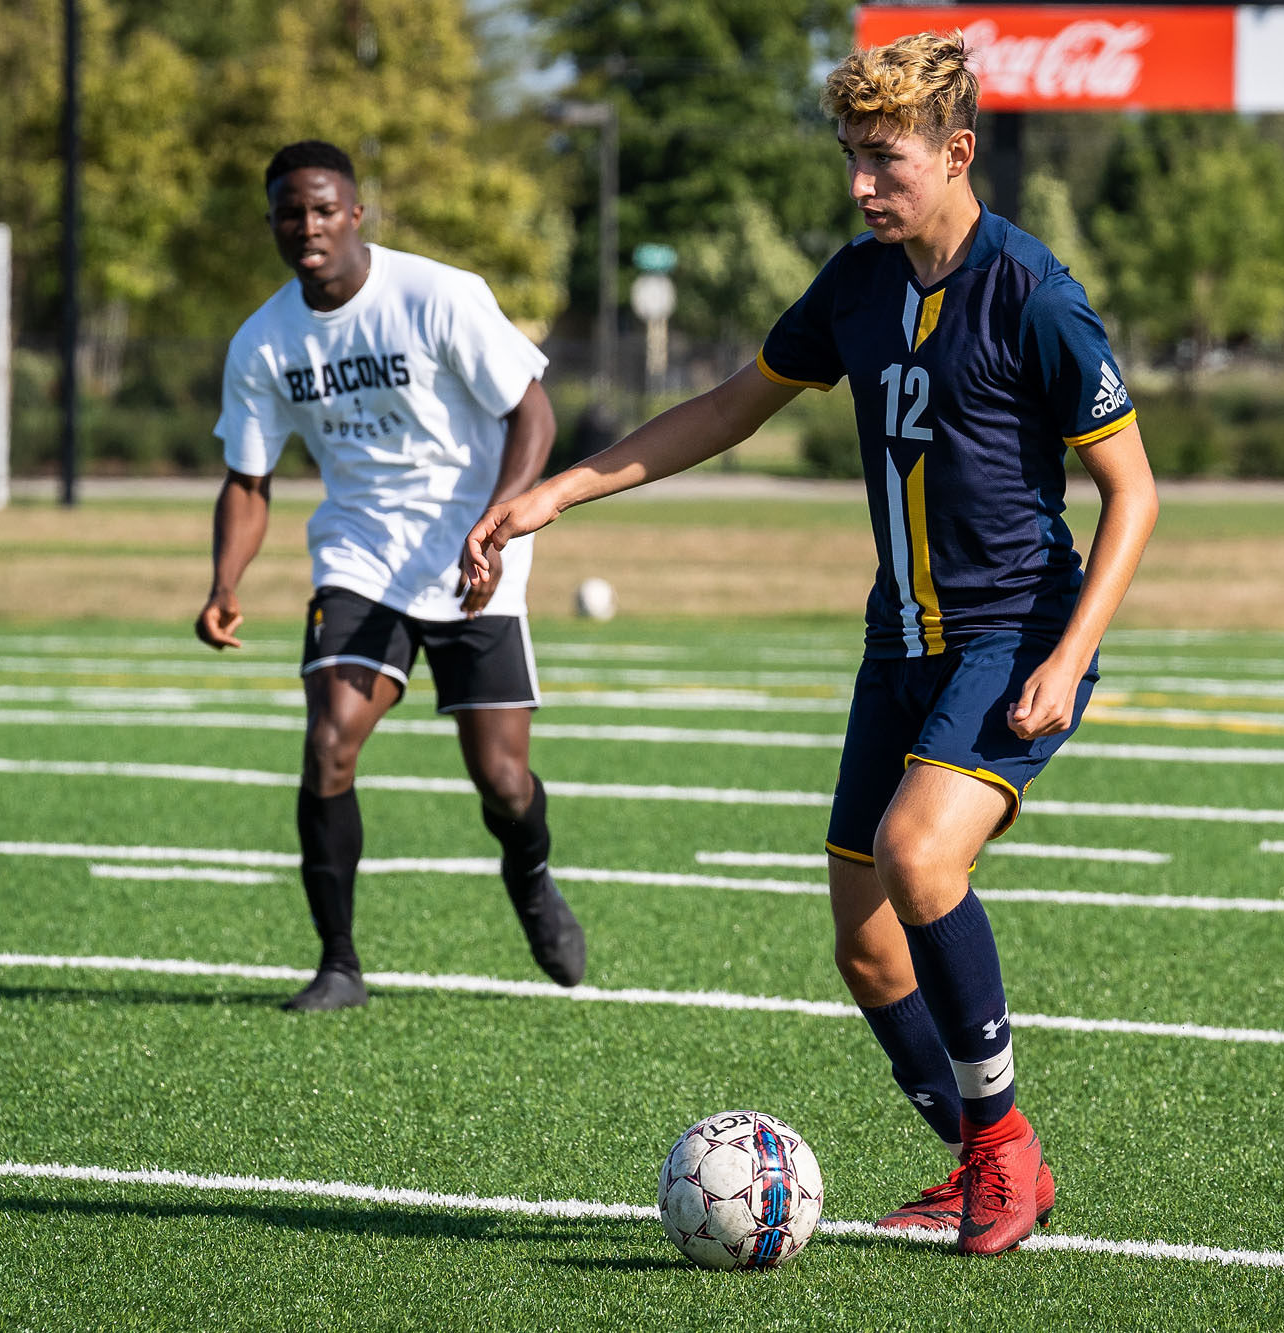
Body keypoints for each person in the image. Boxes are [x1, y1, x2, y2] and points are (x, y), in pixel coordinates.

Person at [465, 35, 1157, 1255]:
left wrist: (1064, 658)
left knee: (915, 855)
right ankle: (976, 1148)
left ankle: (1005, 1153)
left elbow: (1132, 492)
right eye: (848, 158)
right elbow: (732, 406)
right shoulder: (858, 282)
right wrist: (555, 494)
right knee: (860, 938)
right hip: (897, 643)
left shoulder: (1032, 292)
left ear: (955, 152)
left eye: (881, 160)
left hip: (1014, 633)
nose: (857, 184)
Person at [196, 139, 585, 1012]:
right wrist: (225, 581)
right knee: (330, 740)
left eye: (325, 209)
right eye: (291, 213)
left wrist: (497, 521)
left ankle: (530, 876)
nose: (309, 227)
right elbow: (248, 480)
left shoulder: (439, 295)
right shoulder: (262, 342)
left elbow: (532, 410)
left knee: (503, 781)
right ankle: (339, 963)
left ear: (357, 213)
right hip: (359, 559)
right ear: (272, 223)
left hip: (474, 553)